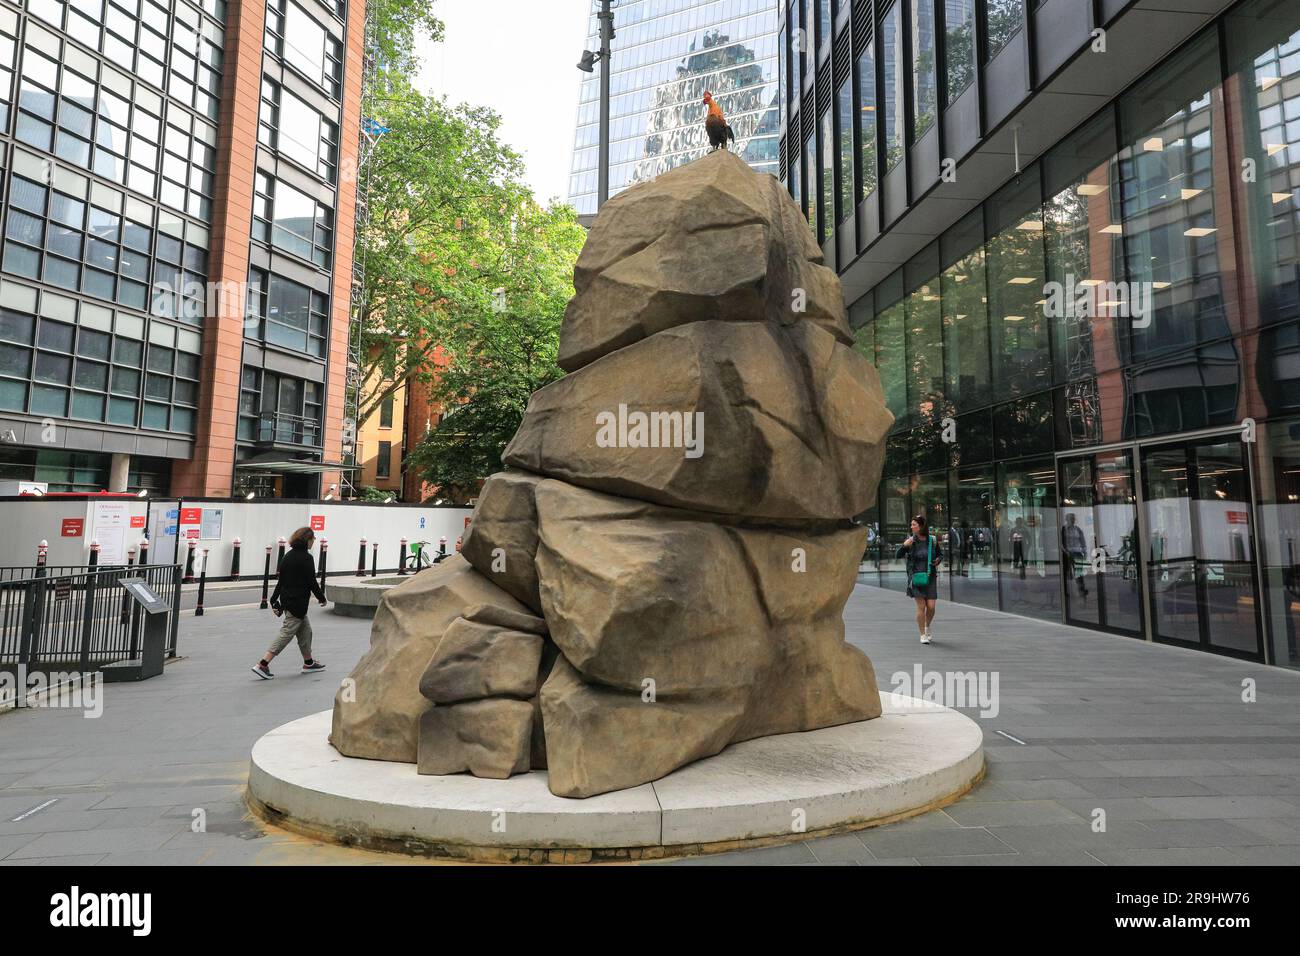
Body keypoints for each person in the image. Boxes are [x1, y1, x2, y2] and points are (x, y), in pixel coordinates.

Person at [252, 526, 328, 679]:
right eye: (313, 539)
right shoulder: (307, 558)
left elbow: (281, 581)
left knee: (306, 632)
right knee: (287, 633)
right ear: (307, 540)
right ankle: (263, 664)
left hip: (288, 601)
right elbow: (312, 581)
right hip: (297, 603)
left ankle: (309, 663)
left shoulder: (288, 556)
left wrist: (274, 601)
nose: (314, 541)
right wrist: (322, 597)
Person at [898, 514, 943, 644]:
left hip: (930, 576)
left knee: (931, 606)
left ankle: (927, 625)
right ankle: (922, 635)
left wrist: (938, 560)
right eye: (911, 524)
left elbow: (940, 554)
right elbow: (898, 554)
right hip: (916, 577)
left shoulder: (932, 540)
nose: (911, 527)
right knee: (921, 606)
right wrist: (904, 546)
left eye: (914, 525)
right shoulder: (911, 541)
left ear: (921, 526)